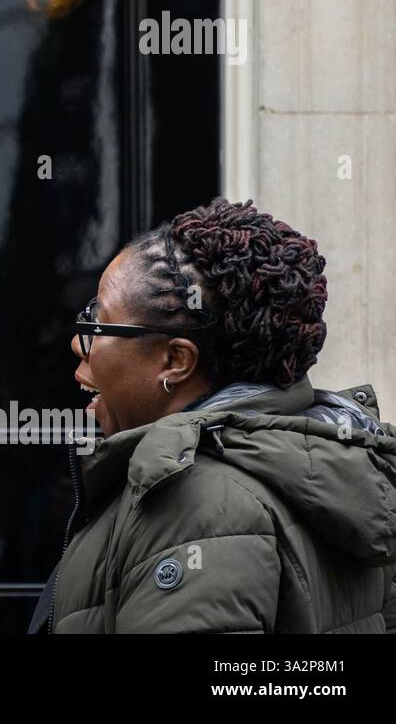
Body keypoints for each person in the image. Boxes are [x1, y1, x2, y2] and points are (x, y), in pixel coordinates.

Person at [30, 197, 396, 633]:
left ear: (175, 361)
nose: (78, 343)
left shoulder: (197, 508)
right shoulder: (331, 460)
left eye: (98, 321)